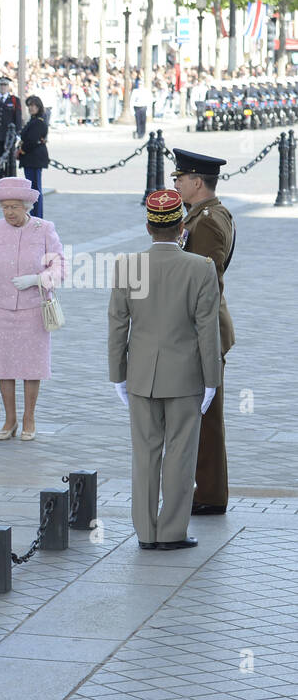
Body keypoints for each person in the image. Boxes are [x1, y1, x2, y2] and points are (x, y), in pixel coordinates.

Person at [108, 190, 221, 550]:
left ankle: (145, 531)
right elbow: (207, 329)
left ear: (147, 227)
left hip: (141, 375)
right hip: (186, 376)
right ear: (181, 227)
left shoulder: (128, 267)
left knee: (144, 454)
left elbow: (116, 326)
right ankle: (172, 531)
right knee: (181, 454)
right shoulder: (200, 268)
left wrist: (118, 375)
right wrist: (211, 380)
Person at [0, 177, 65, 441]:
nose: (9, 212)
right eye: (5, 207)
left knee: (31, 366)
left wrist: (37, 280)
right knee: (3, 366)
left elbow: (59, 267)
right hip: (1, 308)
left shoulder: (44, 228)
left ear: (27, 206)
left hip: (33, 308)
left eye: (14, 206)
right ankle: (9, 418)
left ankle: (29, 417)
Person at [172, 149, 234, 517]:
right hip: (204, 330)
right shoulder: (204, 215)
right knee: (202, 415)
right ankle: (207, 490)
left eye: (179, 178)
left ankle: (210, 494)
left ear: (197, 182)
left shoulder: (207, 220)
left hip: (205, 332)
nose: (175, 184)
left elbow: (207, 282)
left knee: (207, 419)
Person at [17, 96, 49, 219]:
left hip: (34, 159)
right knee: (33, 189)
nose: (31, 108)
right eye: (29, 105)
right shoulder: (34, 120)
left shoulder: (39, 121)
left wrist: (21, 150)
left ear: (39, 107)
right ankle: (34, 214)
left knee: (35, 190)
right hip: (31, 159)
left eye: (33, 105)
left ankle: (37, 216)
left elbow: (31, 141)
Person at [0, 76, 22, 183]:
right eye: (1, 85)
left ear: (8, 86)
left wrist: (18, 133)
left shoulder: (14, 100)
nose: (3, 87)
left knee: (9, 160)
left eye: (5, 85)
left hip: (9, 137)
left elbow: (18, 118)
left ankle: (9, 181)